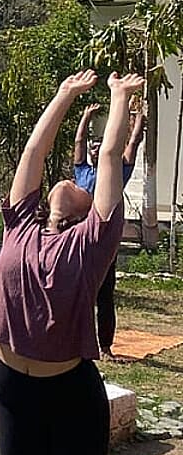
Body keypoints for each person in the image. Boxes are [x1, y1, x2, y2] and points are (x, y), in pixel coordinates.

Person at [0, 70, 142, 455]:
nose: (71, 180)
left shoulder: (92, 241)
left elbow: (109, 157)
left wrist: (119, 96)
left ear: (89, 210)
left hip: (70, 397)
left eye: (82, 187)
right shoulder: (19, 225)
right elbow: (34, 151)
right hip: (11, 389)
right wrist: (63, 95)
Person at [73, 102, 145, 358]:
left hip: (105, 244)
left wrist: (138, 118)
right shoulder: (82, 172)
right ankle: (74, 341)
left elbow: (133, 143)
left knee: (104, 296)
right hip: (80, 241)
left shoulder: (118, 173)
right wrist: (85, 116)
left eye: (100, 144)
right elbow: (79, 142)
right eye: (94, 144)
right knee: (78, 294)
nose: (95, 147)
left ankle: (104, 346)